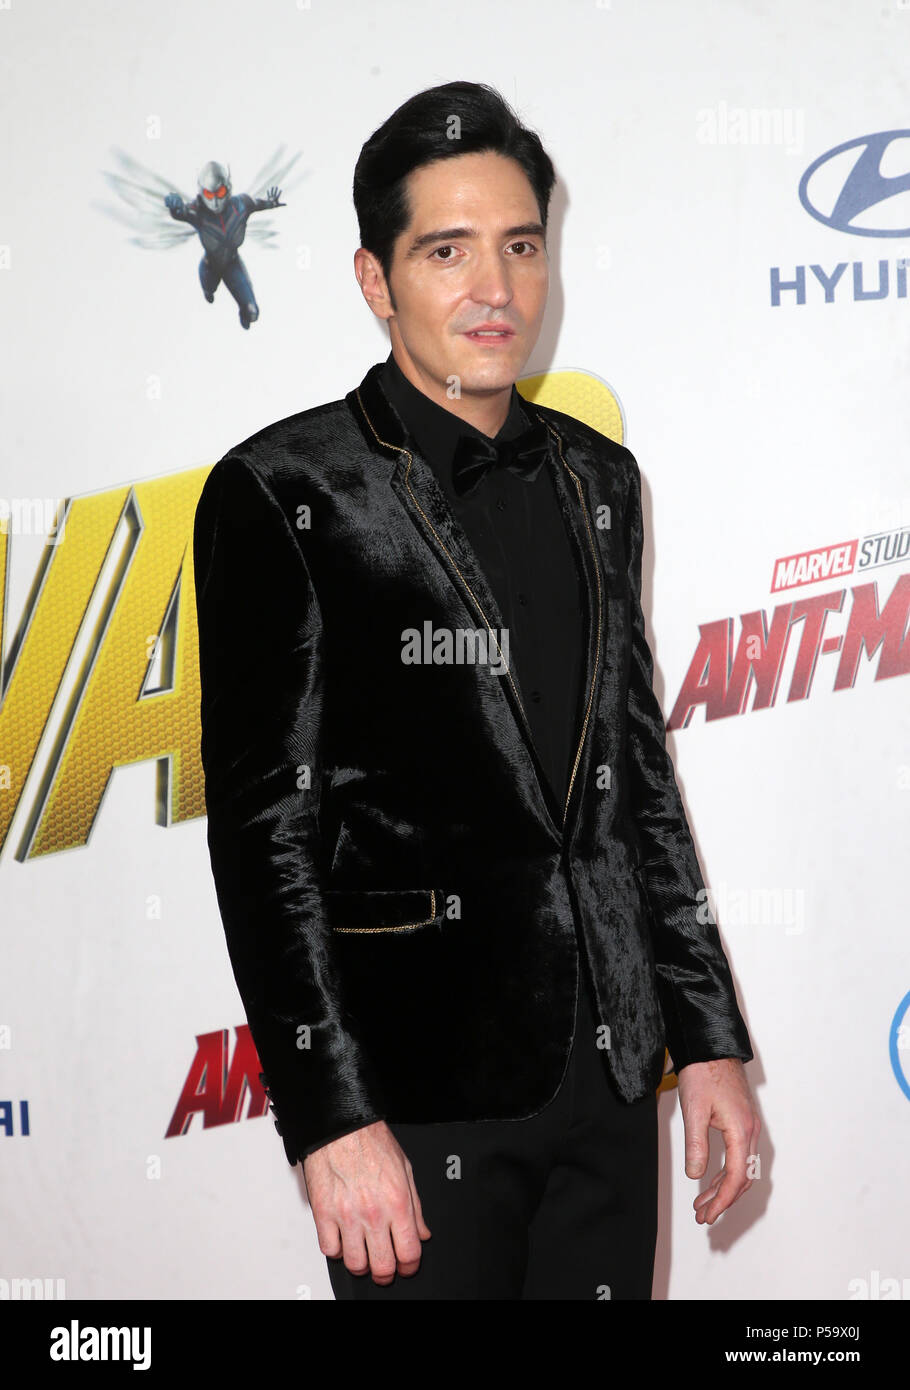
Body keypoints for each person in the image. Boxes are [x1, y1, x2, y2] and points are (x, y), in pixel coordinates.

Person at [193, 80, 759, 1301]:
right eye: (445, 250)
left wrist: (704, 1039)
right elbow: (262, 833)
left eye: (519, 246)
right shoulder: (285, 489)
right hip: (414, 1104)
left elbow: (636, 775)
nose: (491, 288)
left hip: (608, 1083)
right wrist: (329, 1117)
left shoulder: (599, 478)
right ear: (373, 278)